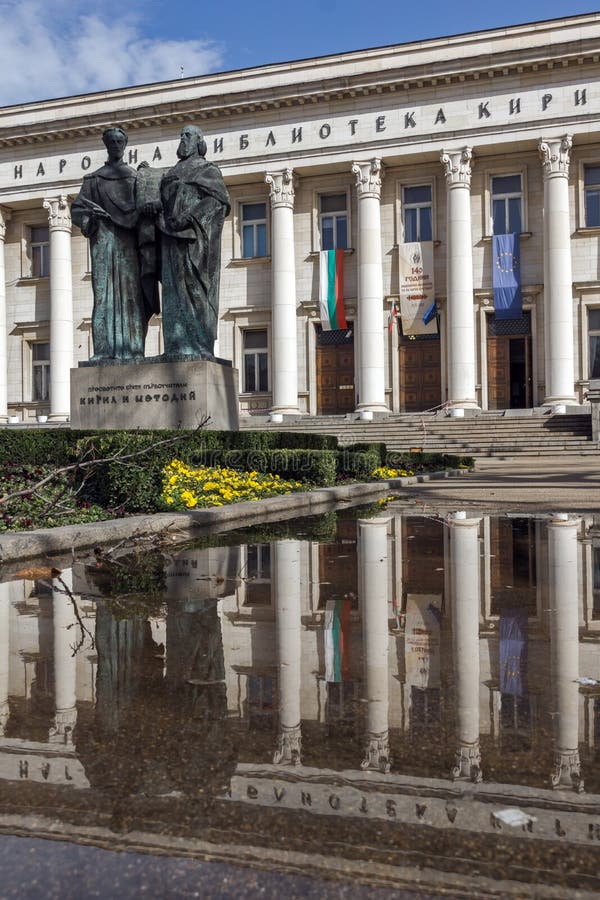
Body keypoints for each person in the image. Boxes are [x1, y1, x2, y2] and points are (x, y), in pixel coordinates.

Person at [72, 127, 156, 361]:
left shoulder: (134, 178)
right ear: (106, 145)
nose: (116, 145)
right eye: (112, 141)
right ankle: (104, 351)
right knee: (103, 296)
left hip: (130, 246)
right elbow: (78, 210)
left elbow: (147, 211)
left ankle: (134, 349)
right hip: (104, 243)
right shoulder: (93, 180)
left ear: (125, 145)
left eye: (120, 141)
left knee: (132, 297)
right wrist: (91, 219)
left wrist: (149, 185)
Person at [153, 124, 231, 359]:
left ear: (199, 142)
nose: (183, 139)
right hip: (170, 239)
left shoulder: (208, 170)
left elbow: (218, 204)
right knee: (172, 292)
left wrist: (190, 216)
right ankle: (176, 346)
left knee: (195, 290)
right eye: (181, 136)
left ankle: (198, 345)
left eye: (188, 136)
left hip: (195, 242)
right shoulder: (171, 172)